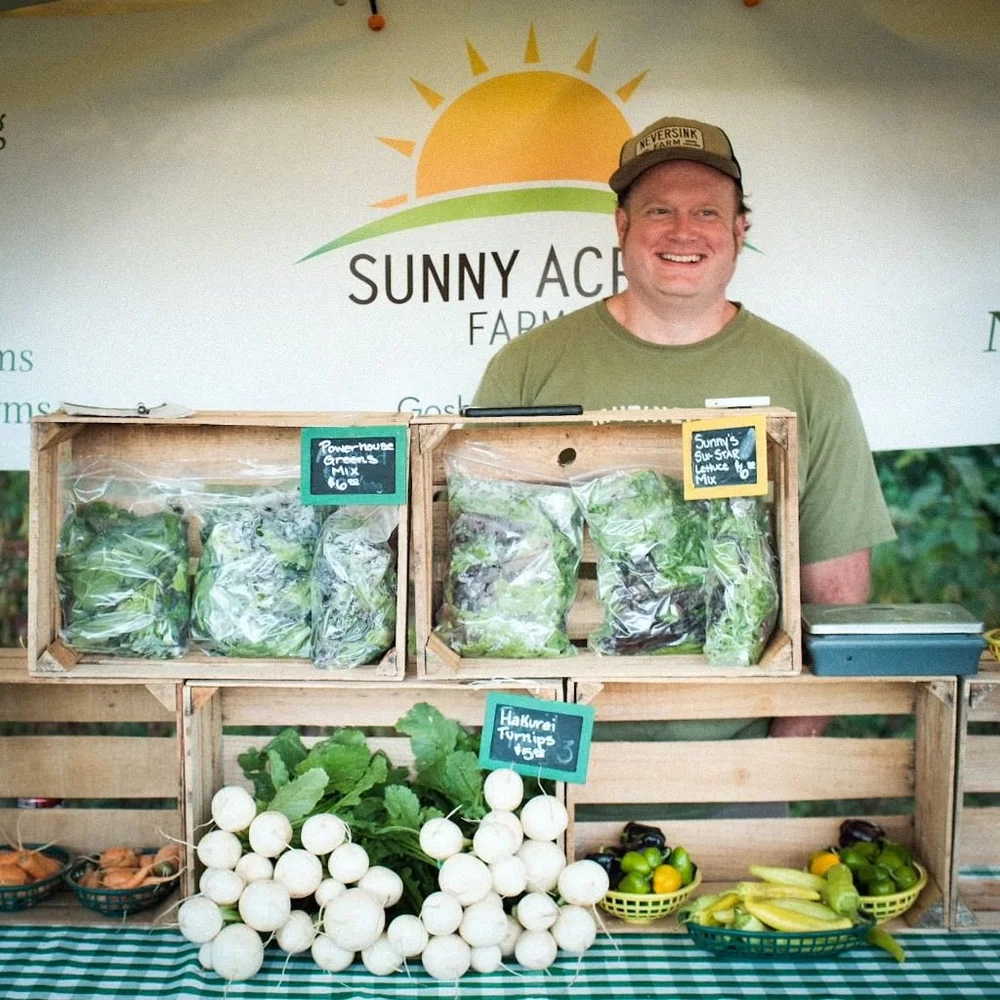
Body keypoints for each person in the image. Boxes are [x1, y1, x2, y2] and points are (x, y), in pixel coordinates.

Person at [473, 115, 896, 742]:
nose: (682, 232)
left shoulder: (809, 382)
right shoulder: (528, 368)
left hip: (735, 759)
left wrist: (778, 755)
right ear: (622, 226)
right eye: (659, 210)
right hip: (549, 761)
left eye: (705, 213)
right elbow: (478, 576)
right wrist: (525, 771)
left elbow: (835, 597)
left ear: (738, 231)